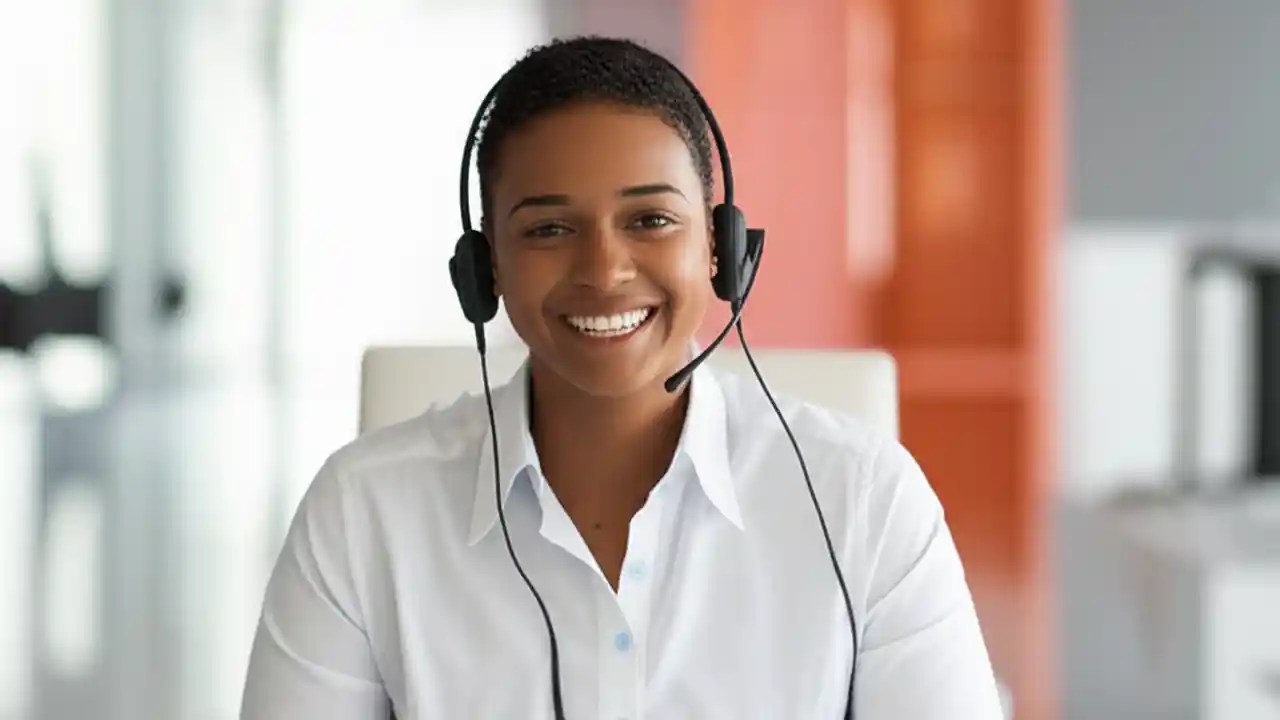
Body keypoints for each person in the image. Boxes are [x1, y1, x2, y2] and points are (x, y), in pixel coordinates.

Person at [240, 36, 1003, 719]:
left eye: (651, 220)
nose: (604, 271)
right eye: (547, 229)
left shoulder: (864, 501)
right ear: (486, 270)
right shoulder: (363, 511)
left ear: (721, 247)